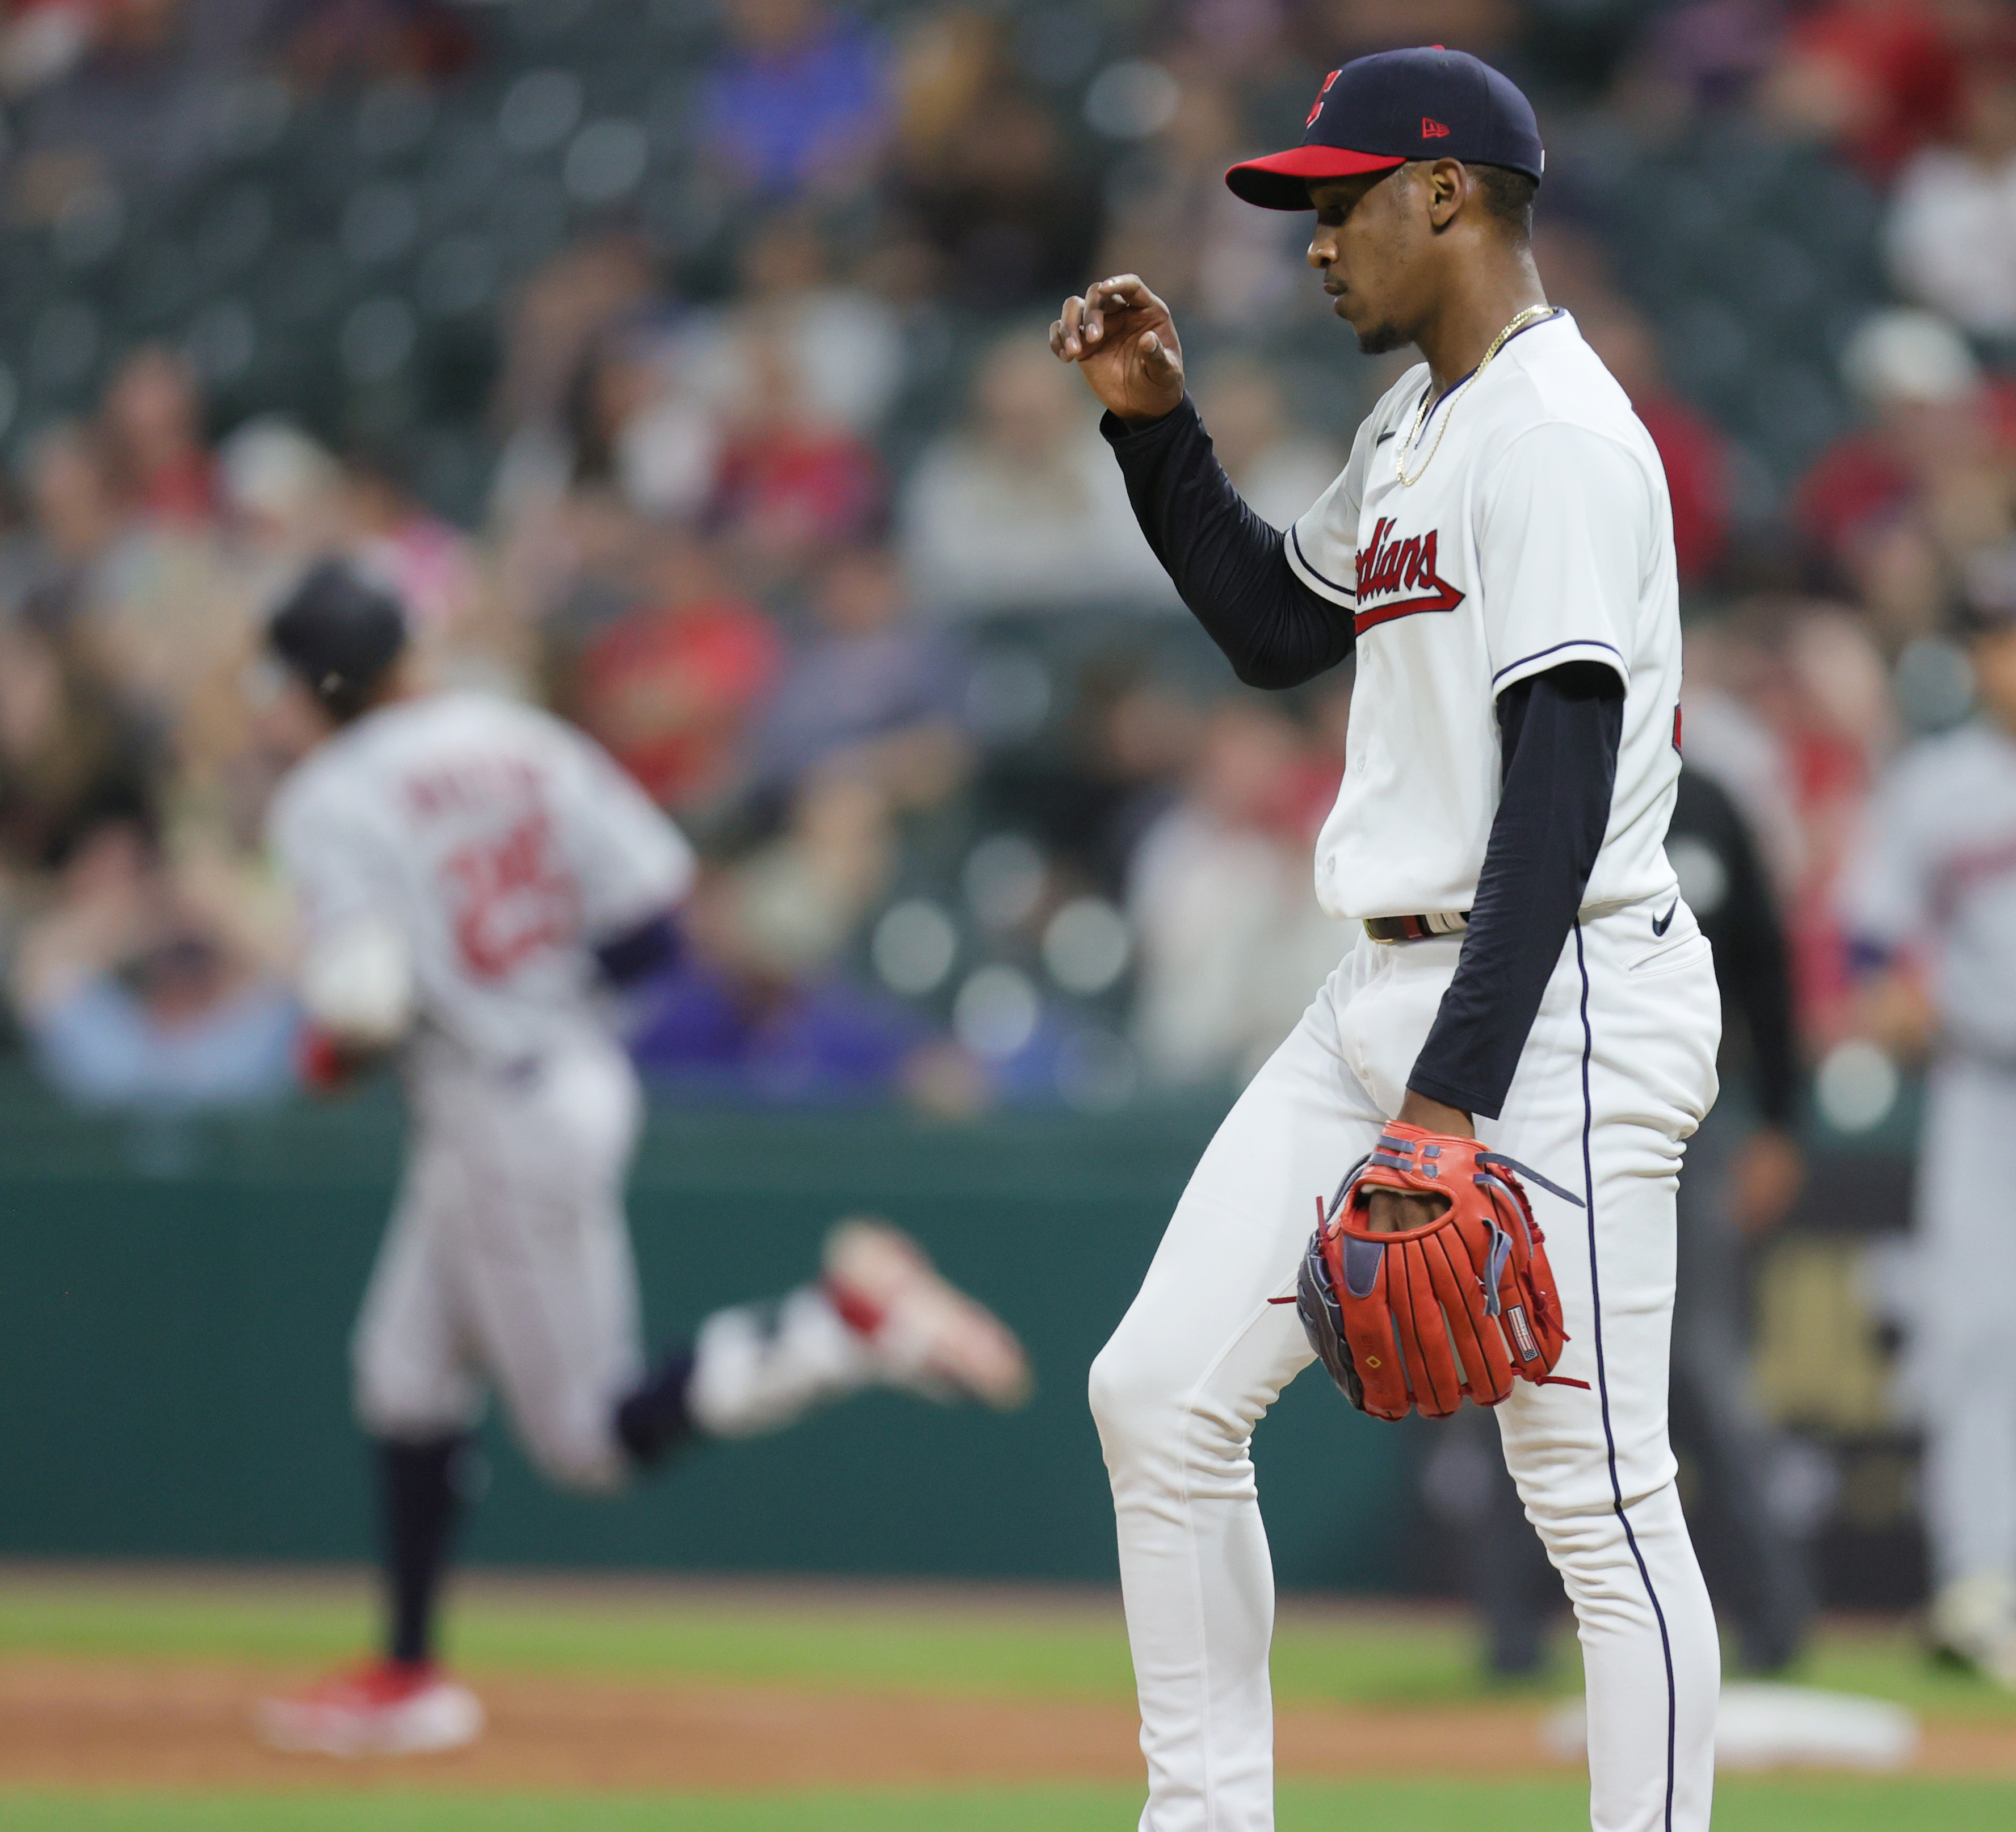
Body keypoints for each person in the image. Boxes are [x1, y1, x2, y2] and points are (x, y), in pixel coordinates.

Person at [1054, 47, 1723, 1831]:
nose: (1314, 240)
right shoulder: (1421, 421)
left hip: (1556, 995)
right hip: (1394, 987)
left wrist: (1451, 1096)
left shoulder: (1561, 435)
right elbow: (1284, 627)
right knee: (1160, 1393)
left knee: (1596, 1497)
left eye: (1339, 201)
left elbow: (1562, 788)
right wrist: (1152, 423)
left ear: (1447, 194)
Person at [249, 561, 1030, 1756]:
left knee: (591, 1441)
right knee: (403, 1371)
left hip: (500, 1107)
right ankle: (408, 1674)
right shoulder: (523, 738)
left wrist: (378, 1042)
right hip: (559, 1079)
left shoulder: (329, 794)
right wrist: (546, 1001)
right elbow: (657, 928)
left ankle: (846, 1329)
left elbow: (357, 1001)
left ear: (321, 683)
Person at [1439, 763, 1812, 1682]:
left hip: (1677, 1118)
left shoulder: (1712, 799)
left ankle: (1774, 1619)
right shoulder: (1519, 776)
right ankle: (1513, 1636)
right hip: (1526, 1105)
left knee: (1696, 1368)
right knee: (1517, 1354)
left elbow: (1764, 960)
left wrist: (1780, 1120)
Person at [1838, 559, 2016, 1688]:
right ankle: (1978, 1583)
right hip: (1981, 1084)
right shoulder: (1940, 783)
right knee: (1976, 1335)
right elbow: (1866, 934)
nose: (2008, 658)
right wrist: (1885, 993)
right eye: (1994, 637)